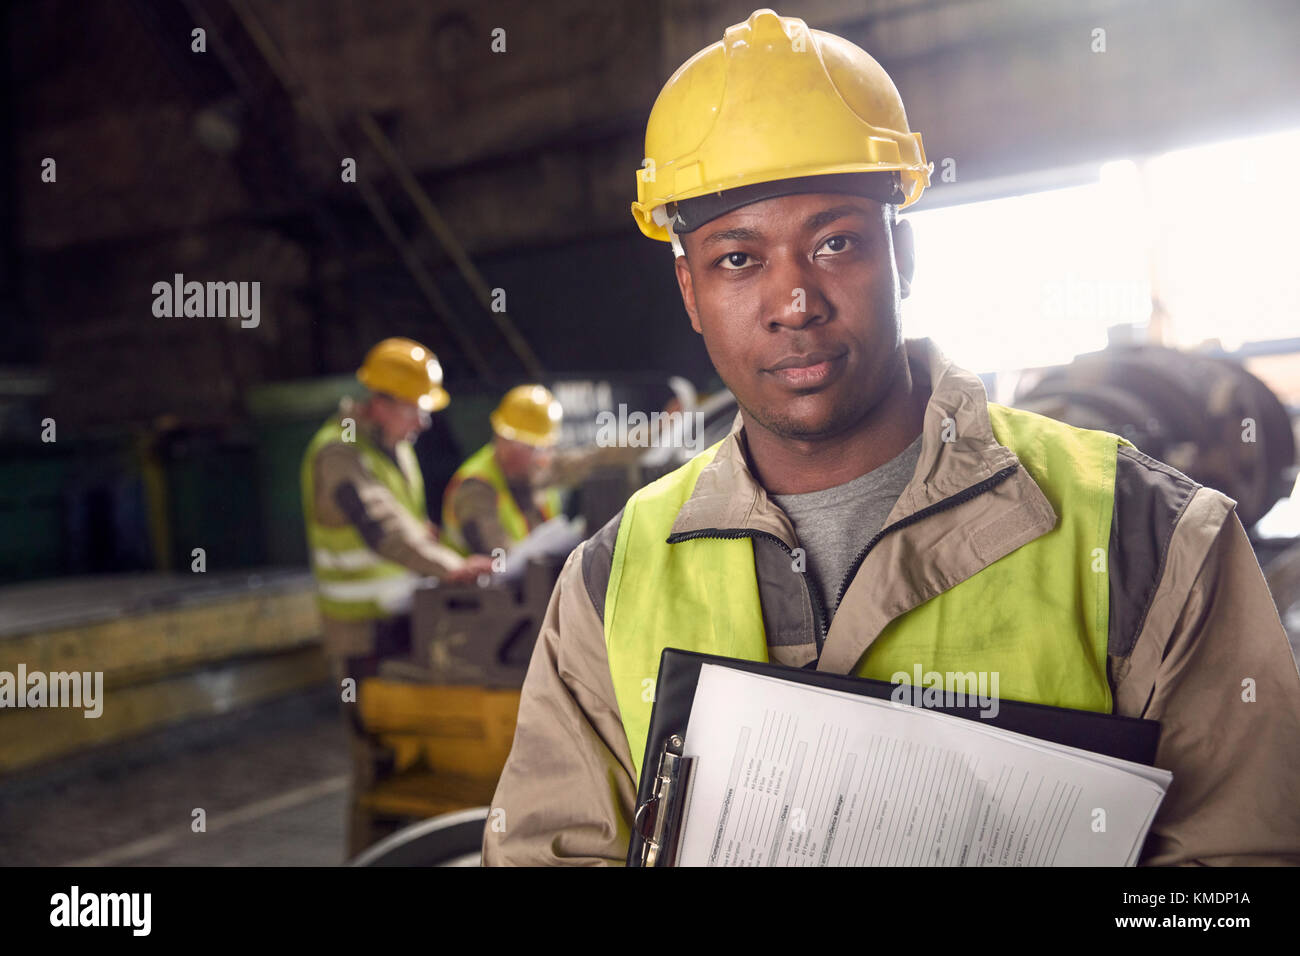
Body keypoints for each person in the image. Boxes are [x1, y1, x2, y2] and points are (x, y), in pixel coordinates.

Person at [482, 9, 1300, 866]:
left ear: (901, 256)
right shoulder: (613, 582)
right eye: (738, 259)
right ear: (689, 291)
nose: (794, 301)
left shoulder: (1149, 539)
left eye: (835, 243)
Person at [300, 336, 491, 855]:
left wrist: (435, 544)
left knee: (408, 762)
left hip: (399, 624)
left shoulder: (392, 447)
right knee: (376, 772)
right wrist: (451, 567)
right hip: (360, 635)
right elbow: (381, 527)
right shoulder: (338, 455)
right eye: (416, 409)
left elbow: (406, 525)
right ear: (381, 404)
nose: (424, 422)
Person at [441, 385, 565, 557]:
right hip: (480, 583)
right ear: (504, 442)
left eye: (548, 448)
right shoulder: (475, 486)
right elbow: (498, 557)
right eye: (535, 448)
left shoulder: (533, 475)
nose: (544, 458)